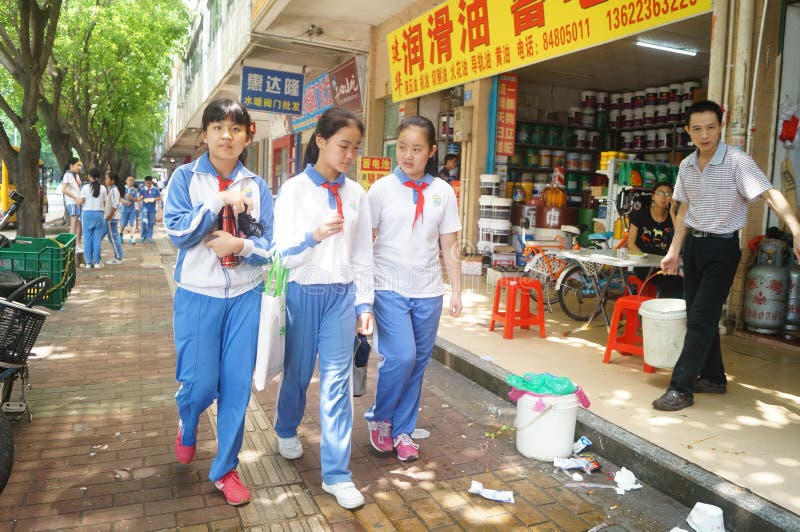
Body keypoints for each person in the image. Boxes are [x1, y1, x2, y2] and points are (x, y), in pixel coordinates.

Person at [653, 100, 800, 411]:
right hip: (694, 247)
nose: (704, 134)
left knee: (700, 320)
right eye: (697, 129)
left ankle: (681, 388)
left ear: (721, 127)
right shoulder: (686, 166)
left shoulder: (737, 162)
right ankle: (714, 378)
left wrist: (796, 229)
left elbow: (770, 195)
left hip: (722, 249)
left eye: (710, 127)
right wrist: (674, 250)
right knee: (699, 317)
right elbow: (684, 209)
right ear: (687, 131)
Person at [164, 97, 274, 506]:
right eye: (218, 128)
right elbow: (178, 233)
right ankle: (187, 422)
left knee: (236, 389)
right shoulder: (185, 179)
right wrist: (218, 202)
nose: (227, 136)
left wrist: (240, 245)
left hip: (246, 296)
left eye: (235, 129)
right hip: (197, 296)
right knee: (198, 385)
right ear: (205, 134)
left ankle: (225, 469)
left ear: (248, 136)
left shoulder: (258, 186)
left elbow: (270, 246)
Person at [272, 107, 374, 510]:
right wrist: (312, 237)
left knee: (336, 384)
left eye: (354, 148)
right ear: (320, 141)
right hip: (302, 292)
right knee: (297, 374)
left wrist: (364, 302)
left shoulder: (357, 194)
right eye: (342, 145)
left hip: (341, 297)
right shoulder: (295, 190)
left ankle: (336, 474)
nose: (348, 154)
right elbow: (280, 254)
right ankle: (285, 426)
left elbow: (364, 253)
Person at [364, 115, 462, 463]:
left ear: (432, 151)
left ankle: (403, 429)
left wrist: (456, 290)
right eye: (402, 147)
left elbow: (449, 244)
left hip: (428, 290)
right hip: (388, 285)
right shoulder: (380, 190)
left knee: (418, 363)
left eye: (417, 149)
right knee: (401, 356)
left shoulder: (443, 192)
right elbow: (364, 242)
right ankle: (380, 418)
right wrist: (362, 294)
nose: (408, 155)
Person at [627, 181, 683, 298]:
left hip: (666, 265)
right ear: (653, 196)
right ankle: (661, 312)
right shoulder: (639, 215)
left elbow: (680, 235)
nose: (664, 196)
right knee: (671, 281)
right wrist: (645, 260)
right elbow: (631, 244)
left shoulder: (674, 217)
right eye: (660, 193)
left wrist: (673, 213)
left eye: (668, 194)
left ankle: (666, 311)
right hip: (644, 266)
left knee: (678, 279)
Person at [78, 168, 108, 268]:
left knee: (87, 239)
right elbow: (105, 203)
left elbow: (81, 201)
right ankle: (97, 262)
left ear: (90, 176)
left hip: (87, 214)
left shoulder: (85, 188)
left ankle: (88, 263)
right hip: (99, 214)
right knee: (97, 239)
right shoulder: (103, 188)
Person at [61, 158, 83, 250]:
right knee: (74, 222)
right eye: (77, 165)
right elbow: (64, 189)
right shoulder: (67, 175)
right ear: (71, 165)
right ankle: (71, 245)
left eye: (80, 166)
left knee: (79, 223)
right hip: (72, 202)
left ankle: (78, 243)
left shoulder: (77, 176)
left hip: (78, 202)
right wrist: (75, 197)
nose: (79, 167)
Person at [104, 172, 124, 265]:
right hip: (112, 217)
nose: (105, 181)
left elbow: (115, 205)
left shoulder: (113, 190)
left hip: (112, 218)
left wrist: (109, 216)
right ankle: (118, 255)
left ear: (112, 180)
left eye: (107, 179)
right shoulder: (112, 189)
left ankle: (118, 257)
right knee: (113, 237)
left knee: (113, 237)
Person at [140, 175, 160, 243]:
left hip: (152, 209)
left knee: (151, 223)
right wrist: (141, 198)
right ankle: (143, 236)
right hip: (144, 209)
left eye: (149, 182)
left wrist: (153, 199)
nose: (148, 184)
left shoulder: (155, 189)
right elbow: (140, 197)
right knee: (144, 223)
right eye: (147, 182)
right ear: (145, 182)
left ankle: (149, 237)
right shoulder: (143, 189)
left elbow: (159, 197)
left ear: (151, 182)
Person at [120, 176, 140, 245]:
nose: (130, 182)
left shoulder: (135, 190)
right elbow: (119, 198)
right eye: (129, 180)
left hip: (132, 209)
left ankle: (132, 237)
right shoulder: (123, 189)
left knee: (132, 223)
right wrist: (125, 202)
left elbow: (137, 199)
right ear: (126, 181)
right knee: (123, 223)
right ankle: (120, 235)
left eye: (132, 181)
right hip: (124, 209)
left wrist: (130, 197)